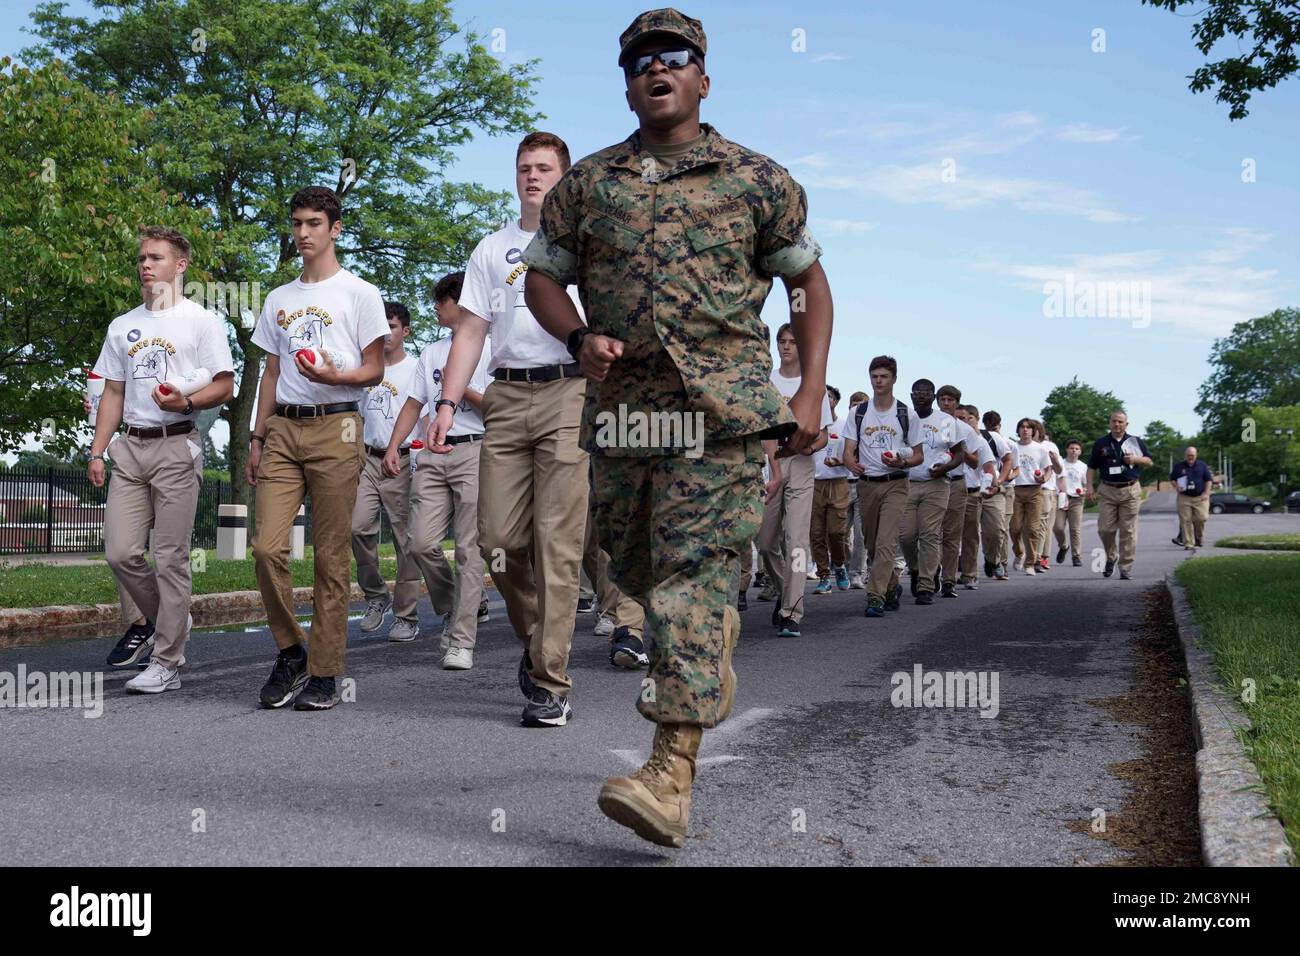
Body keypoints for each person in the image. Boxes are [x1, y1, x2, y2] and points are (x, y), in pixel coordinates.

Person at [521, 6, 832, 848]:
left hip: (722, 411)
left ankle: (670, 771)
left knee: (690, 578)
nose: (657, 70)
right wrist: (578, 335)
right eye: (640, 62)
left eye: (675, 57)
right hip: (625, 414)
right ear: (627, 83)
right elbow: (543, 282)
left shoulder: (757, 178)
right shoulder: (589, 183)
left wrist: (807, 394)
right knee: (639, 572)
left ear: (702, 75)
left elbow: (807, 284)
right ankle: (707, 640)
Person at [427, 131, 590, 727]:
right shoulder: (492, 250)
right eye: (525, 167)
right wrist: (447, 404)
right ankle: (535, 641)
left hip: (570, 392)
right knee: (496, 541)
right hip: (505, 396)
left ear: (564, 178)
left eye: (545, 168)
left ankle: (550, 681)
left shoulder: (585, 245)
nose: (532, 176)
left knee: (556, 541)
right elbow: (469, 332)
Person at [247, 186, 388, 711]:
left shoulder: (360, 294)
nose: (302, 233)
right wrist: (257, 437)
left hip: (339, 428)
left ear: (335, 229)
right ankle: (290, 651)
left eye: (313, 224)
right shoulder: (279, 298)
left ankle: (325, 673)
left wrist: (336, 374)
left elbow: (373, 370)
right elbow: (271, 372)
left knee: (330, 556)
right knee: (266, 547)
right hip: (283, 428)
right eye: (296, 223)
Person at [90, 226, 236, 692]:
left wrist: (187, 404)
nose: (145, 265)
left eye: (155, 257)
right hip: (129, 447)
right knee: (121, 551)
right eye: (141, 258)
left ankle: (167, 661)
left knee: (170, 557)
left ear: (180, 265)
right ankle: (171, 621)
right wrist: (98, 449)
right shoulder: (121, 326)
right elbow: (112, 392)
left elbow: (224, 384)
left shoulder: (201, 321)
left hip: (177, 444)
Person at [383, 272, 490, 669]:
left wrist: (458, 388)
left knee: (468, 549)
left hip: (476, 451)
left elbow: (497, 408)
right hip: (432, 454)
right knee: (420, 542)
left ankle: (461, 641)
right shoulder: (430, 352)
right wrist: (394, 445)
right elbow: (414, 404)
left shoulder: (492, 349)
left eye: (440, 302)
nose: (435, 309)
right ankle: (454, 607)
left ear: (460, 303)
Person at [352, 301, 424, 642]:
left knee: (405, 541)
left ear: (405, 331)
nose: (386, 333)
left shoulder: (416, 368)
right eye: (381, 327)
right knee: (356, 527)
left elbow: (422, 417)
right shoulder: (367, 367)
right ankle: (376, 596)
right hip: (367, 459)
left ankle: (406, 616)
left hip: (403, 461)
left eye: (392, 327)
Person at [757, 323, 832, 636]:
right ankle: (783, 589)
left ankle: (792, 611)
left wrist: (808, 445)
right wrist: (775, 467)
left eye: (792, 342)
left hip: (801, 465)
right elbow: (763, 431)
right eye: (781, 341)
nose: (786, 347)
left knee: (797, 541)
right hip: (771, 463)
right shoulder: (766, 383)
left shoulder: (814, 386)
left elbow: (825, 435)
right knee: (763, 542)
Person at [842, 357, 914, 616]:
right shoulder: (858, 413)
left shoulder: (905, 413)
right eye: (875, 376)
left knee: (885, 543)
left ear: (894, 379)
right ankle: (892, 585)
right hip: (867, 484)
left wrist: (900, 459)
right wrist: (852, 464)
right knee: (872, 544)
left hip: (895, 483)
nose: (879, 381)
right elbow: (847, 451)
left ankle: (875, 597)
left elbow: (918, 455)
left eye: (884, 376)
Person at [897, 380, 964, 604]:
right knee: (906, 535)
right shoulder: (905, 419)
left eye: (926, 393)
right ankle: (916, 569)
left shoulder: (945, 421)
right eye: (917, 393)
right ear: (912, 395)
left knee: (930, 534)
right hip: (908, 482)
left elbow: (959, 453)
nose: (921, 396)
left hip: (936, 484)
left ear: (933, 396)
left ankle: (926, 584)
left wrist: (944, 468)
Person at [1086, 409, 1152, 580]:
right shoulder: (1101, 443)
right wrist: (1090, 487)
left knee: (1128, 531)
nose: (1117, 424)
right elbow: (1091, 467)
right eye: (1114, 421)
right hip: (1107, 490)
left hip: (1130, 490)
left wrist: (1135, 460)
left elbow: (1149, 461)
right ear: (1110, 423)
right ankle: (1111, 555)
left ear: (1126, 424)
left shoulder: (1135, 442)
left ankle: (1125, 567)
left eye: (1120, 422)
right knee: (1105, 529)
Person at [934, 385, 983, 597]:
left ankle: (949, 580)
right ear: (937, 402)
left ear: (956, 403)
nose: (946, 403)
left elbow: (975, 462)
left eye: (950, 400)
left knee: (952, 534)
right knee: (931, 533)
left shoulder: (964, 429)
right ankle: (930, 573)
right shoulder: (928, 424)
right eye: (942, 399)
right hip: (933, 482)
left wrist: (960, 450)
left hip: (955, 482)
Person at [811, 386, 852, 594]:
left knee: (836, 532)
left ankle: (839, 564)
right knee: (816, 534)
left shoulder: (844, 426)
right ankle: (824, 576)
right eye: (821, 396)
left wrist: (840, 461)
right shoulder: (810, 425)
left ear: (835, 401)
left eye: (829, 396)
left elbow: (853, 456)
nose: (825, 400)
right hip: (814, 484)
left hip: (838, 482)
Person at [954, 405, 997, 589]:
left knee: (970, 536)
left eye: (963, 418)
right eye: (955, 418)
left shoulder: (979, 441)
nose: (959, 422)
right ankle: (942, 575)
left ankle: (969, 574)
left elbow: (988, 468)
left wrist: (990, 485)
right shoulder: (943, 437)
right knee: (945, 535)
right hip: (946, 491)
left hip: (971, 493)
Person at [1010, 417, 1052, 576]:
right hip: (1016, 490)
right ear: (1018, 430)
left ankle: (1030, 563)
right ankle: (1019, 553)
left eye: (1028, 427)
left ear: (1034, 431)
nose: (1025, 430)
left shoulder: (1040, 449)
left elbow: (1048, 469)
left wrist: (1044, 478)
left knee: (1033, 529)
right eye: (1022, 427)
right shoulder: (1012, 446)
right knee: (1015, 528)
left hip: (1035, 491)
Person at [978, 410, 1016, 580]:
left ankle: (992, 559)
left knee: (996, 531)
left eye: (968, 417)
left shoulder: (993, 437)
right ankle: (968, 574)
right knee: (969, 535)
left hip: (992, 490)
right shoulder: (955, 436)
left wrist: (999, 481)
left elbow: (1009, 460)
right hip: (967, 492)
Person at [841, 391, 871, 589]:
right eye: (854, 404)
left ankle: (857, 573)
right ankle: (843, 566)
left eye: (861, 404)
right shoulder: (842, 427)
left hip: (863, 485)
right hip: (841, 484)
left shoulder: (871, 429)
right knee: (839, 533)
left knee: (861, 534)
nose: (856, 407)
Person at [1033, 422, 1064, 572]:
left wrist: (1055, 460)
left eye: (1034, 429)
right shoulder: (1022, 446)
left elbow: (1059, 471)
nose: (1030, 432)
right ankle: (1033, 556)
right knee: (1027, 527)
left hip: (1046, 490)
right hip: (1026, 490)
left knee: (1044, 527)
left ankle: (1041, 558)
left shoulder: (1050, 446)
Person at [1170, 445, 1213, 551]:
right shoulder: (1178, 466)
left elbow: (1208, 480)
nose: (1190, 457)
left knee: (1202, 518)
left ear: (1196, 455)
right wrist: (1176, 486)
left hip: (1200, 497)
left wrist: (1206, 493)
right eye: (1188, 455)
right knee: (1185, 520)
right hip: (1184, 497)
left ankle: (1199, 538)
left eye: (1192, 455)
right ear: (1185, 455)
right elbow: (1172, 479)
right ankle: (1188, 543)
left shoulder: (1202, 465)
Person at [1054, 439, 1088, 565]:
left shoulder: (1083, 466)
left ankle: (1076, 556)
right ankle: (1063, 546)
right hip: (1061, 498)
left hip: (1076, 499)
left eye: (1077, 449)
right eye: (1071, 448)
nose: (1074, 451)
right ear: (1067, 450)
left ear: (1080, 452)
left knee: (1075, 529)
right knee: (1057, 527)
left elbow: (1086, 484)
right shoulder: (1060, 464)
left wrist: (1084, 490)